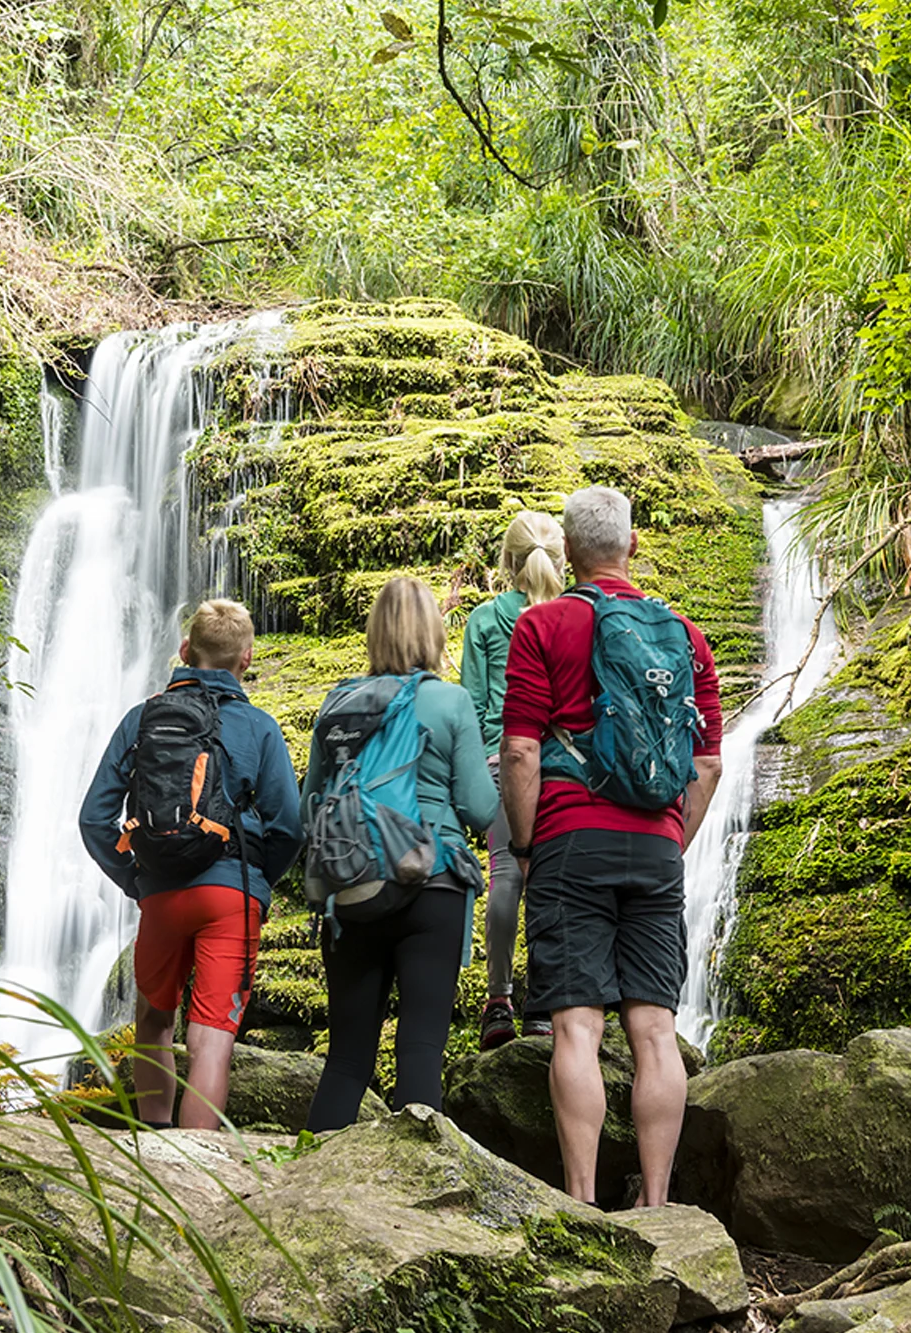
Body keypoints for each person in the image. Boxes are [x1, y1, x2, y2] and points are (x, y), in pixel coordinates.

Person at [499, 486, 724, 1207]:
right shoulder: (686, 636)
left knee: (577, 1025)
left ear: (568, 551)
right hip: (656, 844)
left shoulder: (542, 625)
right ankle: (658, 1206)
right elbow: (709, 763)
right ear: (633, 546)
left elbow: (520, 752)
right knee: (655, 1026)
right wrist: (672, 840)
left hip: (570, 839)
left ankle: (582, 1201)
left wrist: (530, 845)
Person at [79, 599, 305, 1131]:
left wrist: (136, 881)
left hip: (161, 893)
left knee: (153, 1021)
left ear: (185, 650)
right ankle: (195, 1176)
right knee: (211, 1036)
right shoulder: (260, 728)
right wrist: (255, 884)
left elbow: (95, 819)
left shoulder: (142, 719)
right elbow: (289, 827)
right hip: (231, 897)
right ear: (246, 659)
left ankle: (152, 1149)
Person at [303, 577, 498, 1132]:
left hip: (352, 886)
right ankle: (417, 1200)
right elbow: (479, 810)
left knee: (345, 1060)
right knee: (418, 1048)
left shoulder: (337, 704)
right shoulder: (450, 701)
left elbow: (307, 811)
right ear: (435, 632)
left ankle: (311, 1194)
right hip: (433, 882)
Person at [460, 510, 567, 1049]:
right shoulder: (573, 617)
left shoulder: (484, 620)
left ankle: (498, 1000)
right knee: (552, 881)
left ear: (507, 562)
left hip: (504, 761)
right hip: (563, 767)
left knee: (505, 874)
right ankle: (544, 1004)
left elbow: (475, 706)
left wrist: (480, 766)